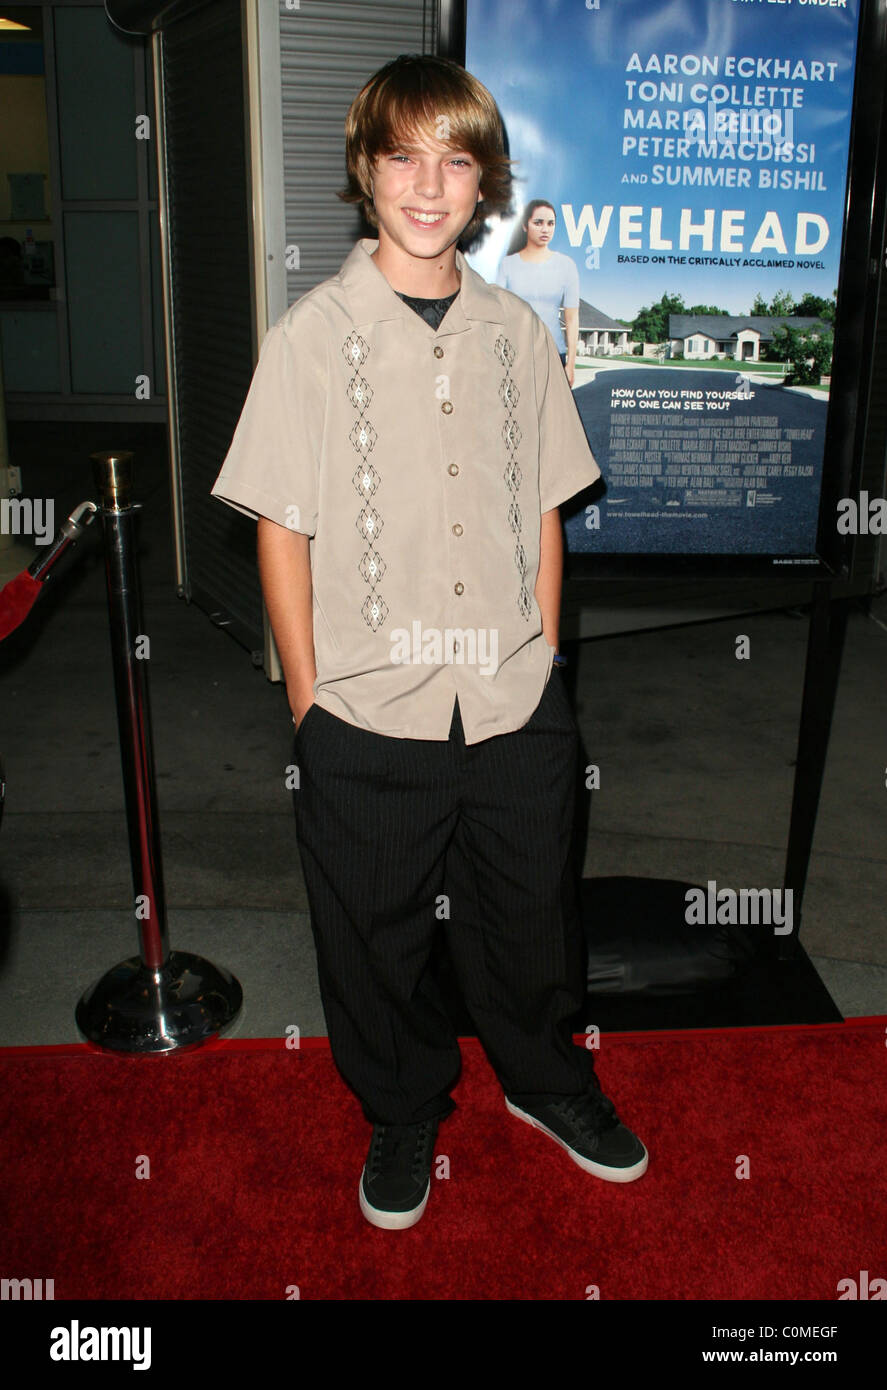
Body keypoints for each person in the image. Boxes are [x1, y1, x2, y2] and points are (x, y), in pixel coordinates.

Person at [211, 53, 647, 1231]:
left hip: (512, 699)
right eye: (402, 155)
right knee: (372, 932)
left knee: (528, 917)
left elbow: (544, 509)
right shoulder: (309, 336)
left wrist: (544, 661)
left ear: (483, 182)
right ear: (364, 170)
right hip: (366, 708)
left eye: (454, 159)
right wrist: (308, 697)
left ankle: (546, 1082)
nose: (426, 183)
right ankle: (401, 1104)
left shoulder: (515, 332)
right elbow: (281, 532)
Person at [496, 200, 580, 384]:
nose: (545, 229)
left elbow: (572, 318)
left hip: (555, 353)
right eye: (538, 223)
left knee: (554, 412)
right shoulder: (508, 265)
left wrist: (571, 365)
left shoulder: (566, 266)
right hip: (517, 354)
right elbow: (499, 315)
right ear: (525, 225)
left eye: (550, 224)